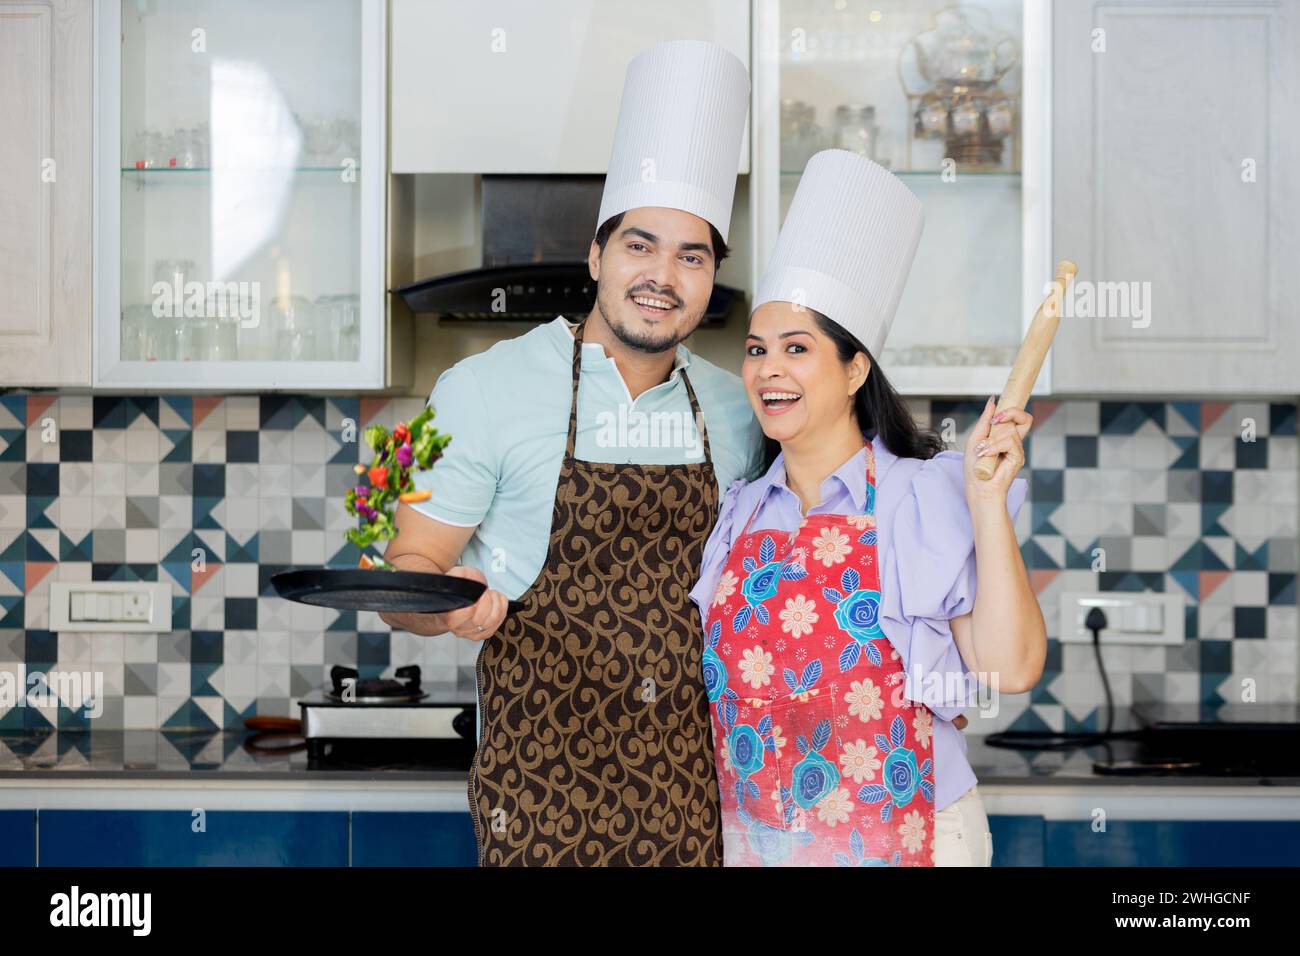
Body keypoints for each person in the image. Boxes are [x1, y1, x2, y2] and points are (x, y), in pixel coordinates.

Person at [379, 40, 765, 866]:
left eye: (691, 256)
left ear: (710, 278)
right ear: (595, 256)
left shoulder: (741, 409)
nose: (662, 274)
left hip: (700, 795)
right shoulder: (475, 388)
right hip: (536, 795)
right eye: (639, 245)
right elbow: (403, 573)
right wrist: (445, 602)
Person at [689, 149, 1047, 866]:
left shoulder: (924, 496)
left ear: (855, 368)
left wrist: (986, 503)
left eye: (797, 348)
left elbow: (1010, 669)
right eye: (757, 350)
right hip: (760, 839)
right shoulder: (740, 516)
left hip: (912, 832)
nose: (768, 370)